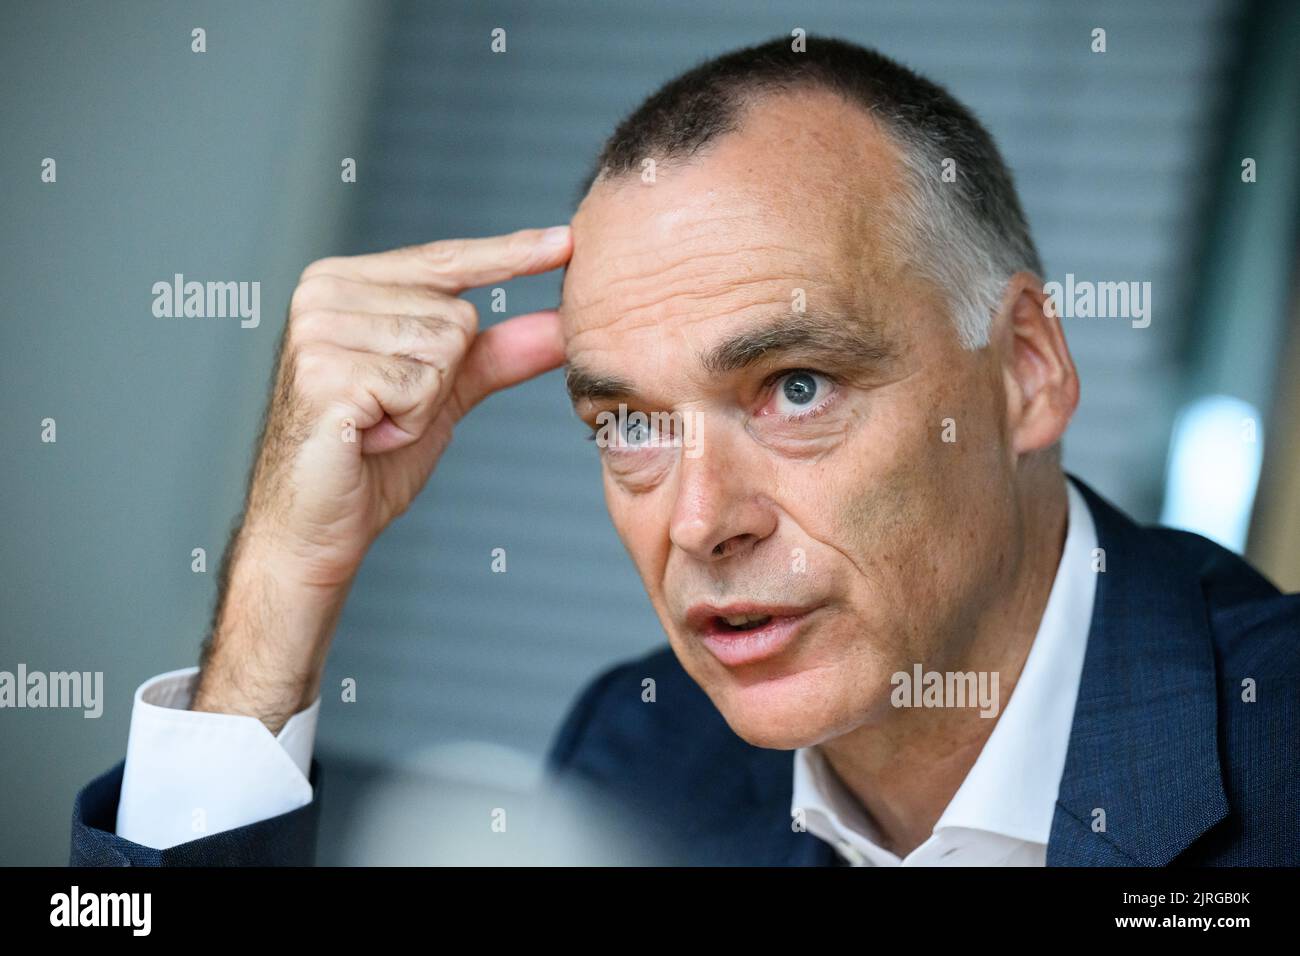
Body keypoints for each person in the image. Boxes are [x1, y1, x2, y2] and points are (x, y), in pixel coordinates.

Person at [72, 36, 1298, 867]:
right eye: (632, 425)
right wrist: (285, 573)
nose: (702, 521)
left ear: (1026, 365)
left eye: (794, 385)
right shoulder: (642, 757)